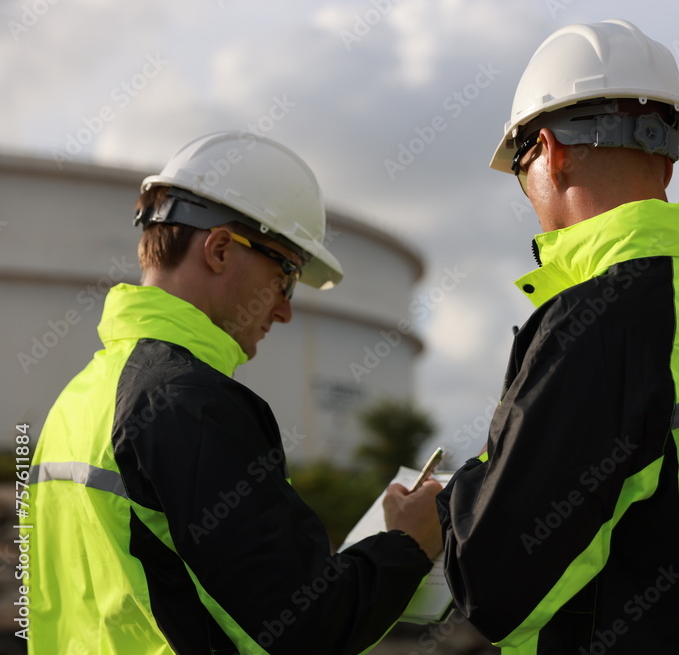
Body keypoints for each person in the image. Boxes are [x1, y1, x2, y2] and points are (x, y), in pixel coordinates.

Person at [437, 20, 679, 653]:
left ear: (548, 150)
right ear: (666, 157)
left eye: (520, 167)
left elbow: (493, 587)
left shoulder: (600, 321)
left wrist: (443, 508)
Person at [24, 131, 442, 654]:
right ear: (220, 249)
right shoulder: (191, 404)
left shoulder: (78, 400)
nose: (285, 309)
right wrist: (409, 544)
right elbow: (308, 627)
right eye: (286, 275)